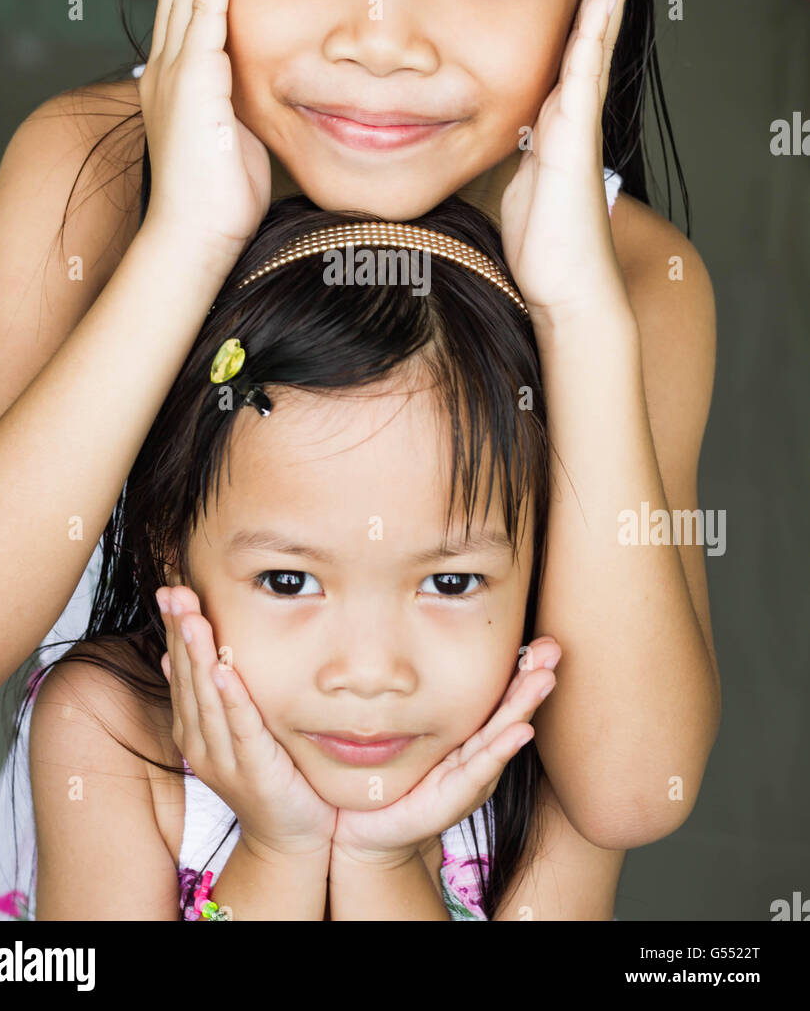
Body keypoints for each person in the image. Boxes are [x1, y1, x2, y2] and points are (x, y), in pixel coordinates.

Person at [0, 0, 719, 919]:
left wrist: (573, 307)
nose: (380, 33)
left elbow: (634, 784)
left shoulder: (633, 280)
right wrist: (186, 239)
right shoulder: (95, 170)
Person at [28, 191, 564, 921]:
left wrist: (383, 863)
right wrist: (281, 850)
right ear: (169, 551)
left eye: (449, 581)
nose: (371, 673)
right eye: (288, 580)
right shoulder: (109, 733)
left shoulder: (555, 755)